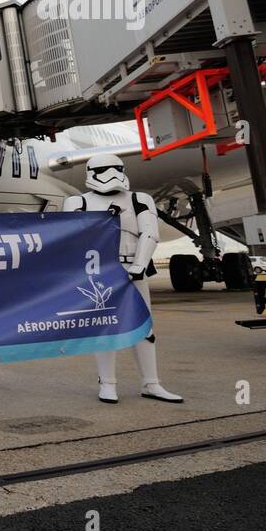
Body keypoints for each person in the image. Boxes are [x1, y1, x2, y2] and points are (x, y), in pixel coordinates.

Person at [63, 153, 182, 405]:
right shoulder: (78, 202)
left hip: (133, 268)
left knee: (144, 327)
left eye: (116, 168)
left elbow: (150, 233)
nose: (111, 174)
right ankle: (107, 383)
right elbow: (70, 237)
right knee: (104, 327)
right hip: (99, 272)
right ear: (91, 173)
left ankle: (151, 382)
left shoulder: (139, 199)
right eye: (104, 169)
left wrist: (139, 264)